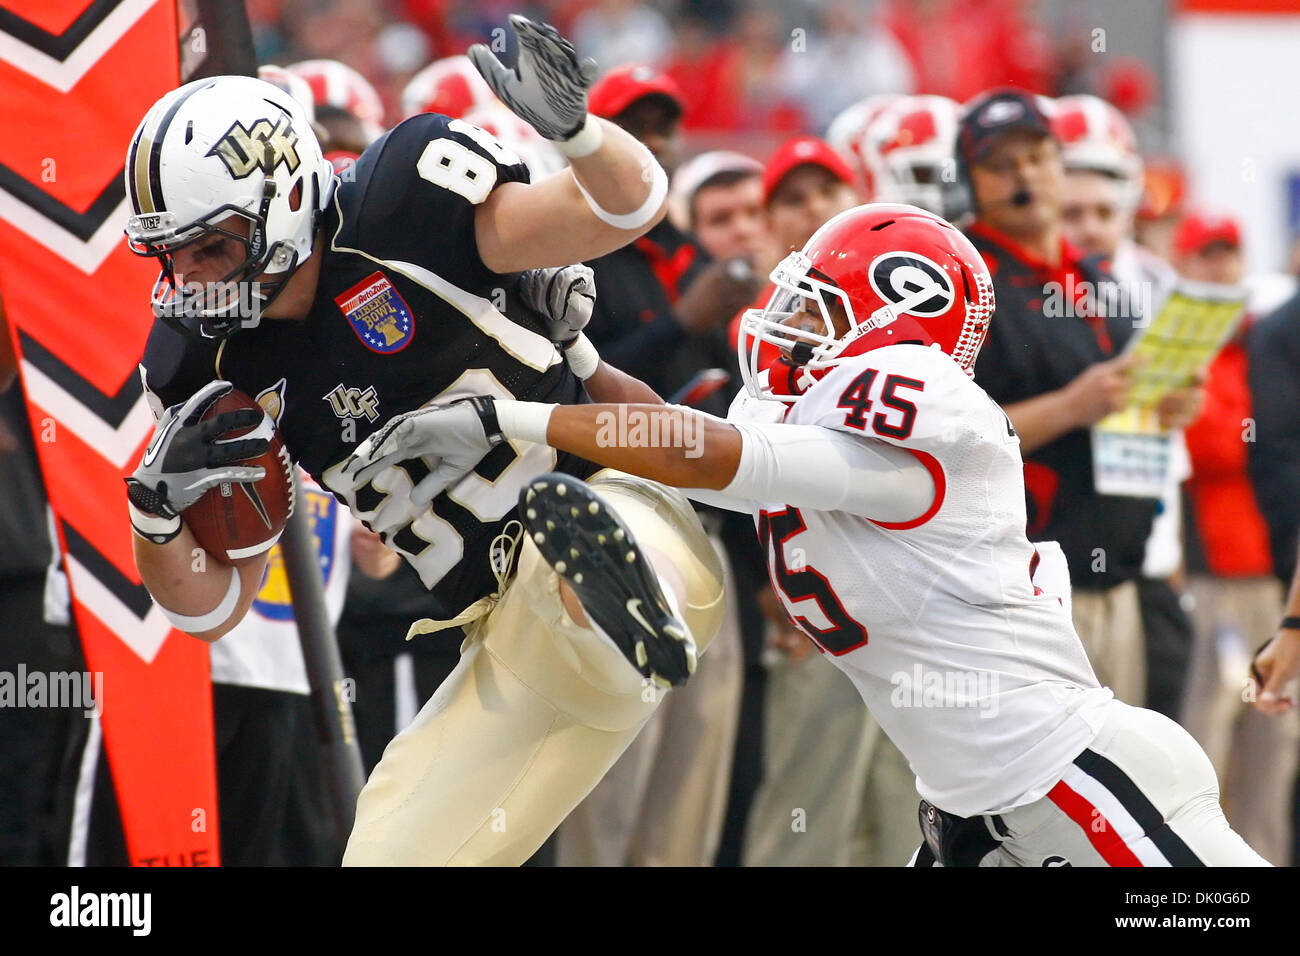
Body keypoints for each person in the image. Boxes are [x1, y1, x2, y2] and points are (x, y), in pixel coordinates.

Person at [363, 202, 1270, 866]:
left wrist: (513, 419)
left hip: (1074, 779)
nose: (787, 320)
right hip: (965, 816)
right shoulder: (805, 420)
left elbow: (701, 452)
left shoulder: (919, 420)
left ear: (900, 321)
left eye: (820, 307)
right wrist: (582, 358)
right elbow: (679, 427)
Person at [121, 16, 723, 867]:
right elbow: (214, 611)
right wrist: (155, 519)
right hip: (499, 634)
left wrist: (578, 132)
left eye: (212, 249)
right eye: (171, 256)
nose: (190, 282)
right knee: (383, 855)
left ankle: (620, 609)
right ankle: (598, 628)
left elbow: (624, 206)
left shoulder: (404, 206)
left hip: (630, 518)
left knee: (570, 543)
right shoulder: (204, 365)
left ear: (285, 199)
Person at [960, 88, 1202, 709]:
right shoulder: (963, 281)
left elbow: (1123, 400)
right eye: (1000, 163)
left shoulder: (1096, 279)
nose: (1024, 175)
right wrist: (1071, 405)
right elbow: (944, 442)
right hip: (1023, 593)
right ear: (972, 182)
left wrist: (1166, 405)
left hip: (1119, 579)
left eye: (1038, 155)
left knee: (1120, 790)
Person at [1174, 211, 1299, 865]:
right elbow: (1219, 446)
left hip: (1277, 580)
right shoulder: (1183, 352)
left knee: (1272, 749)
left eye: (1228, 254)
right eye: (1205, 255)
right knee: (1206, 743)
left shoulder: (1263, 343)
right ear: (1182, 264)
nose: (1219, 267)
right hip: (1215, 577)